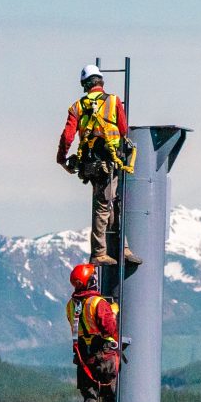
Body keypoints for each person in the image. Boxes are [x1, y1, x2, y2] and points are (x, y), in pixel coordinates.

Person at [56, 64, 137, 265]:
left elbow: (67, 136)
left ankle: (120, 248)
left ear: (85, 85)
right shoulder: (114, 101)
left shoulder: (77, 107)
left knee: (108, 204)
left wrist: (61, 158)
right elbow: (124, 129)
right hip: (111, 162)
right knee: (108, 204)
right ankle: (101, 252)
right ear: (101, 81)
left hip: (91, 163)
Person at [66, 262, 120, 402]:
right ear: (91, 281)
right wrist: (113, 311)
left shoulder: (71, 305)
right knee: (112, 398)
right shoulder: (98, 303)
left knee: (90, 401)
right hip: (103, 358)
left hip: (84, 360)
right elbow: (109, 329)